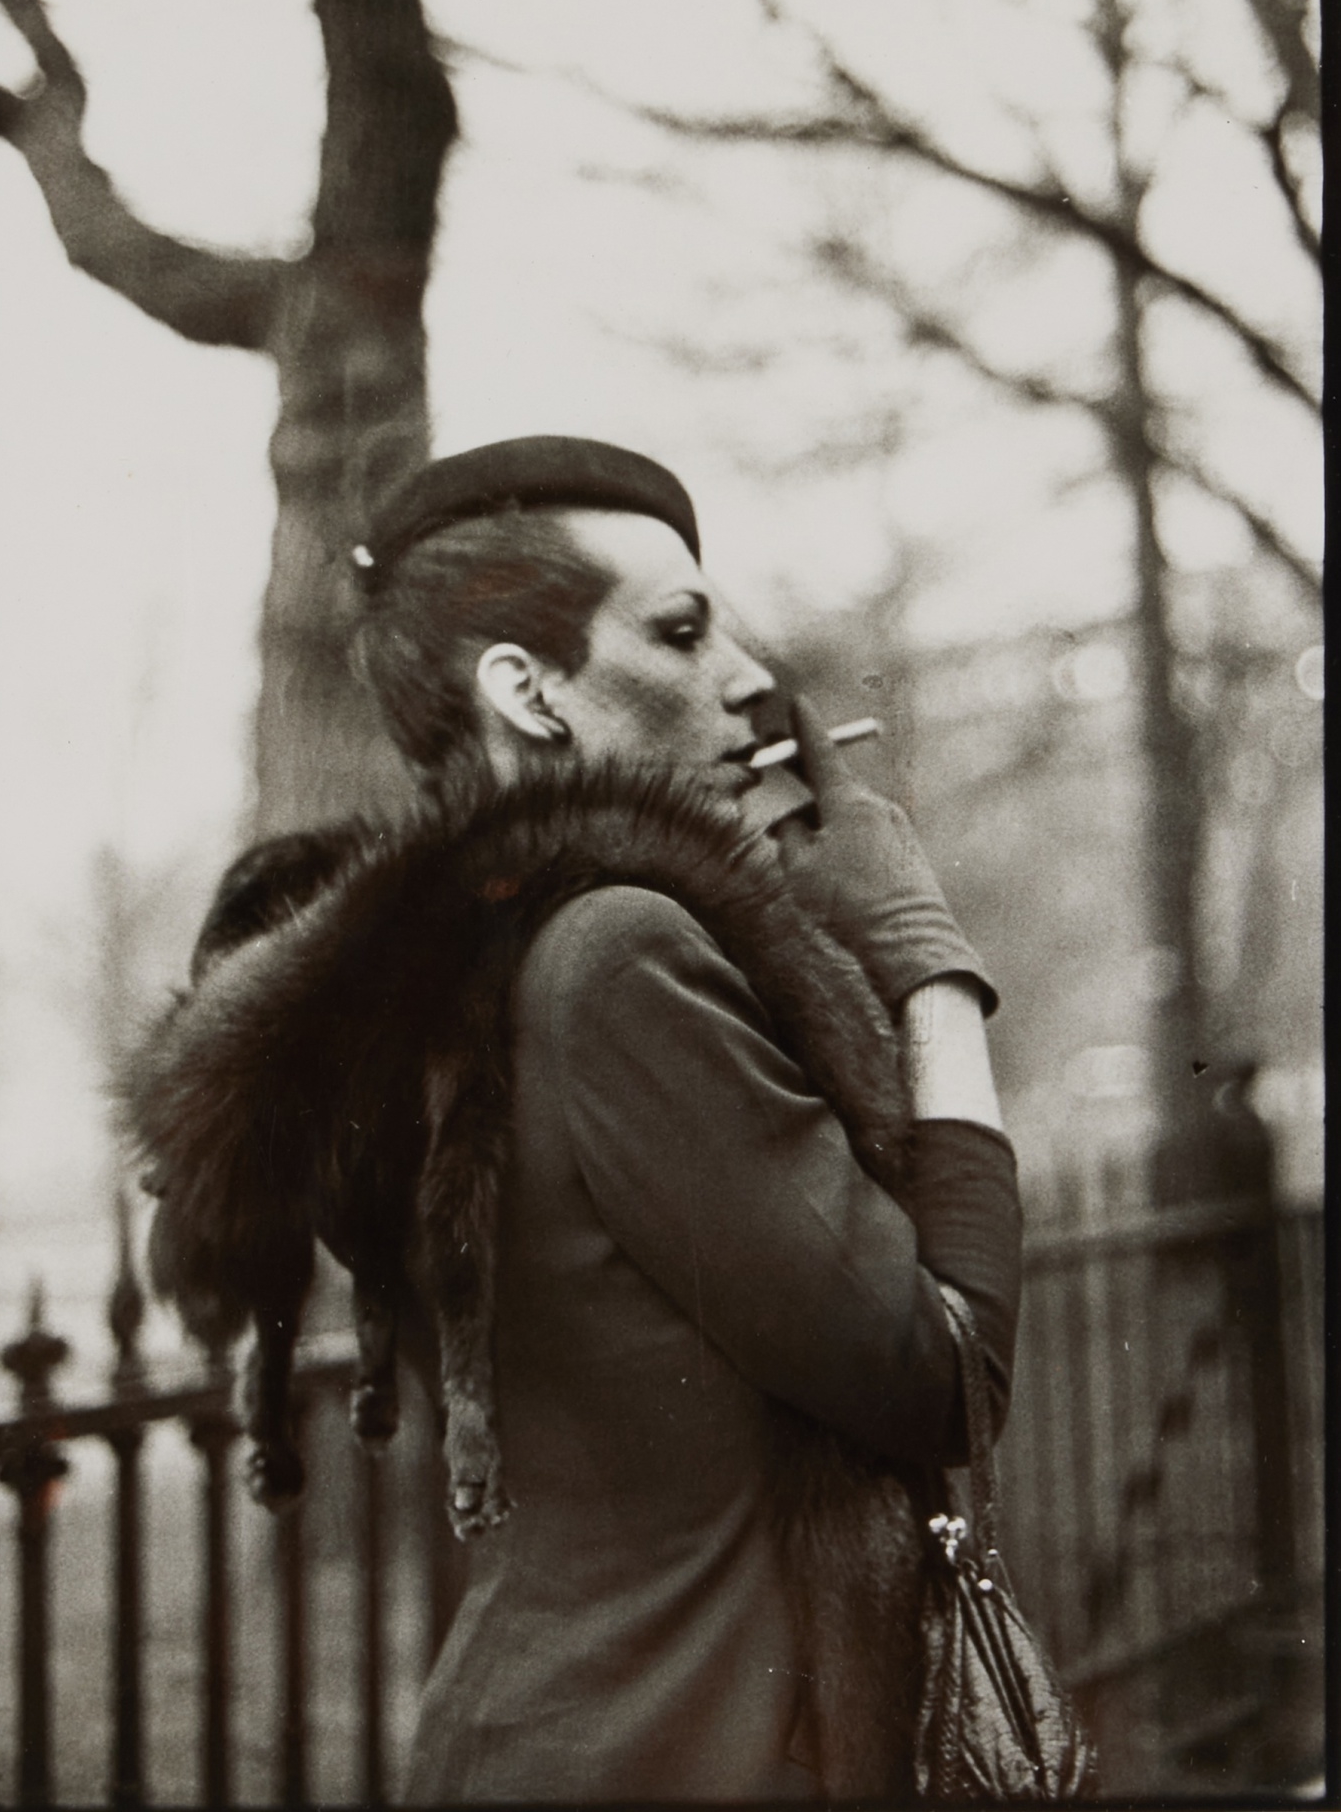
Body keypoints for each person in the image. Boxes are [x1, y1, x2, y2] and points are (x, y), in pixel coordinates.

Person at [129, 436, 1021, 1804]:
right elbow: (944, 1375)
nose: (746, 681)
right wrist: (926, 962)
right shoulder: (617, 955)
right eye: (678, 633)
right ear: (528, 691)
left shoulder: (477, 960)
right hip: (681, 1755)